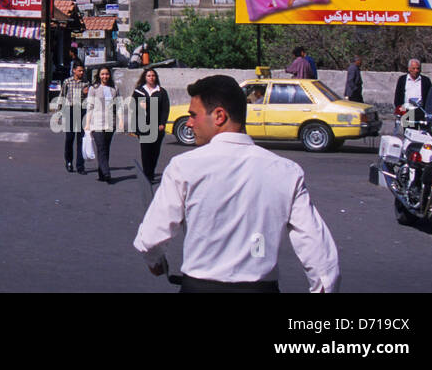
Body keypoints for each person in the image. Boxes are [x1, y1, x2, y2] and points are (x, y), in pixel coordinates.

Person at [133, 74, 340, 293]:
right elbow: (321, 256)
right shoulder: (286, 172)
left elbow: (151, 238)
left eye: (194, 115)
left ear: (219, 116)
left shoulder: (184, 167)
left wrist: (155, 262)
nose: (190, 123)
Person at [130, 68, 170, 183]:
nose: (151, 78)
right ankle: (148, 174)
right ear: (145, 77)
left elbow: (165, 109)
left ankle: (151, 171)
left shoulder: (161, 91)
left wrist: (162, 123)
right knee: (145, 151)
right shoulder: (139, 91)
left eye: (153, 75)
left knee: (155, 152)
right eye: (149, 76)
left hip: (157, 126)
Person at [85, 66, 119, 184]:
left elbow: (117, 106)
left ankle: (101, 174)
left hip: (110, 122)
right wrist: (88, 124)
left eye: (107, 74)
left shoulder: (114, 88)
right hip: (97, 122)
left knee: (106, 148)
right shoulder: (93, 89)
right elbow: (90, 107)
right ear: (99, 75)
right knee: (101, 147)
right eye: (102, 74)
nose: (105, 76)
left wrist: (119, 122)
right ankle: (106, 172)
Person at [59, 63, 89, 173]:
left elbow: (88, 99)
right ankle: (69, 162)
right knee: (69, 139)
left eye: (83, 71)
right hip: (70, 110)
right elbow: (62, 96)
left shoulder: (86, 83)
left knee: (81, 139)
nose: (82, 73)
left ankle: (80, 166)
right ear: (74, 71)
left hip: (82, 111)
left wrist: (86, 94)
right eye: (80, 71)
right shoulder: (67, 82)